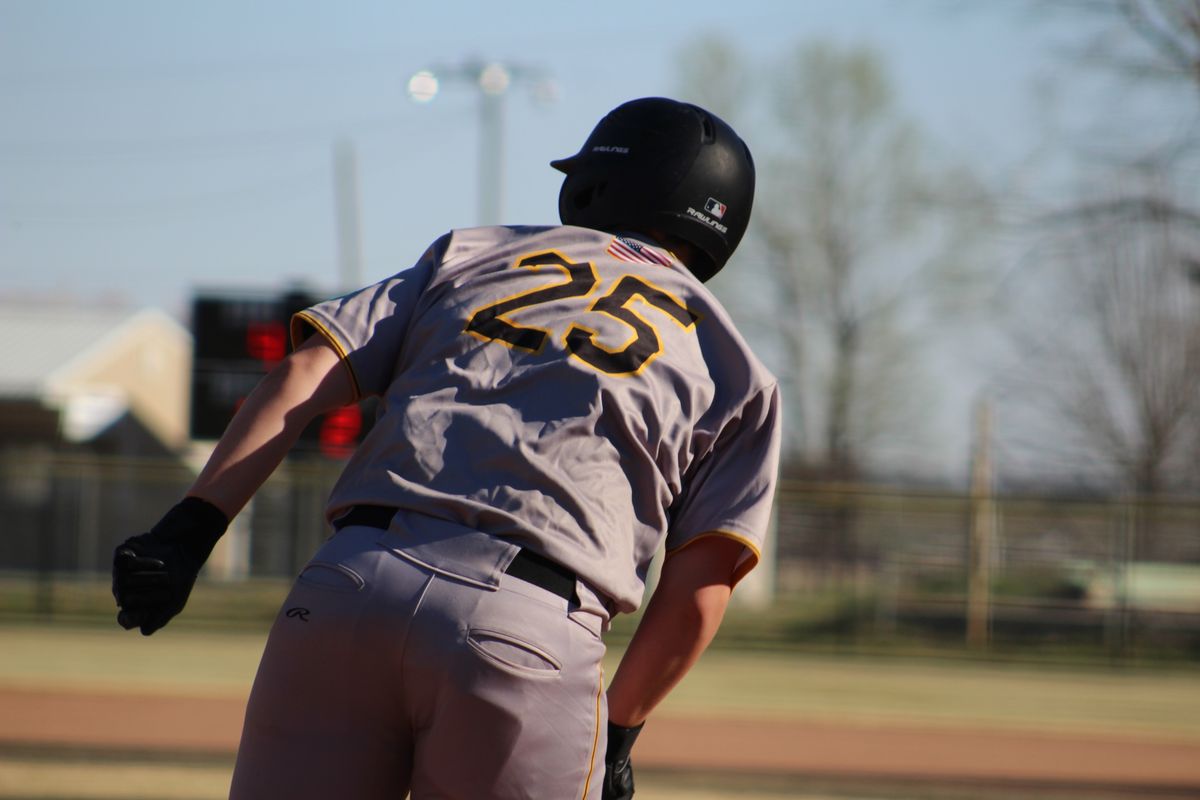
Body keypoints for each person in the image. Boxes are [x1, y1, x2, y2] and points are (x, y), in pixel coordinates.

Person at [112, 96, 781, 799]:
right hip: (528, 625)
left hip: (350, 585)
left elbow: (304, 373)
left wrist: (188, 531)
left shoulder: (477, 251)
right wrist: (617, 732)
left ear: (598, 184)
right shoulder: (736, 367)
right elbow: (698, 595)